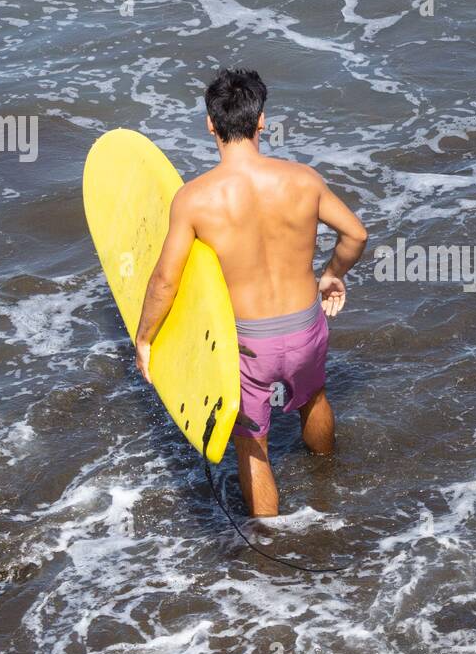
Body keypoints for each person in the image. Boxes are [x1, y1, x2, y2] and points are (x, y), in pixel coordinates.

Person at [133, 68, 367, 517]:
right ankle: (327, 479)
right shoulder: (303, 180)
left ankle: (270, 550)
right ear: (261, 121)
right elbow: (356, 234)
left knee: (252, 443)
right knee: (314, 397)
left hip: (247, 344)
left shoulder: (195, 199)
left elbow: (166, 279)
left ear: (209, 124)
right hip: (305, 326)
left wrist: (146, 338)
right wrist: (333, 275)